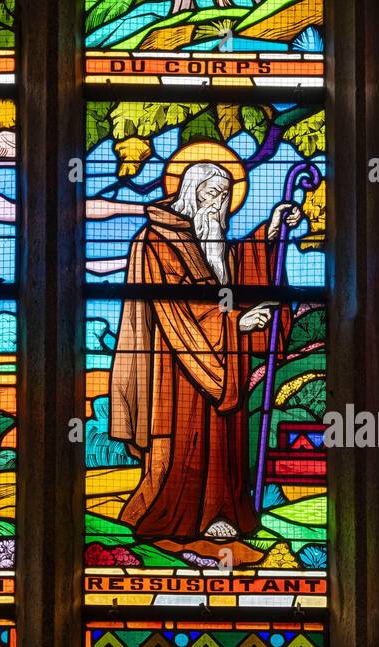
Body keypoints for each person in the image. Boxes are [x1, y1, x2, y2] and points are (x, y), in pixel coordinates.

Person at [108, 154, 302, 540]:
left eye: (226, 197)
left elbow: (232, 269)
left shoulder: (212, 240)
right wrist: (235, 323)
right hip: (175, 364)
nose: (219, 206)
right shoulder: (155, 240)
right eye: (212, 194)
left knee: (222, 441)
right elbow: (175, 307)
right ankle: (175, 519)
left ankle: (220, 512)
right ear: (191, 194)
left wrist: (270, 232)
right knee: (184, 442)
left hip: (223, 358)